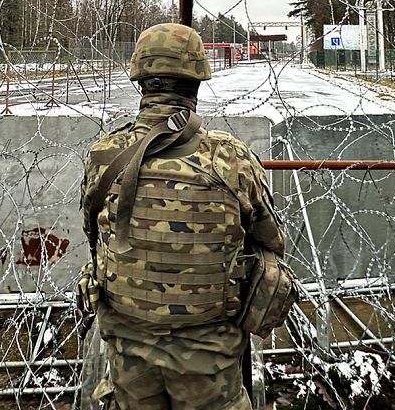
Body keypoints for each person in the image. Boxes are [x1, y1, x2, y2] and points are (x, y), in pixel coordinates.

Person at [78, 23, 286, 410]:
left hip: (128, 350)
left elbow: (94, 237)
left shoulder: (104, 153)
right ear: (198, 80)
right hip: (209, 356)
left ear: (139, 77)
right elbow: (271, 241)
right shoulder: (230, 158)